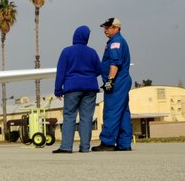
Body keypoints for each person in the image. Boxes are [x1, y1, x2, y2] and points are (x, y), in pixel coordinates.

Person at [52, 26, 102, 153]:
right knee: (86, 117)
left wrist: (58, 90)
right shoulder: (92, 52)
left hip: (72, 87)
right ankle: (85, 147)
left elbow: (61, 72)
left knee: (69, 116)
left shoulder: (67, 52)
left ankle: (66, 147)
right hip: (90, 87)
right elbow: (99, 70)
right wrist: (88, 76)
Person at [94, 17, 132, 151]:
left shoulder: (116, 43)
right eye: (105, 28)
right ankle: (124, 143)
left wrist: (110, 80)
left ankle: (108, 141)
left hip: (117, 81)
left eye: (108, 28)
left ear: (117, 28)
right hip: (122, 80)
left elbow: (115, 63)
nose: (105, 30)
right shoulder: (117, 41)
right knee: (123, 112)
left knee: (111, 110)